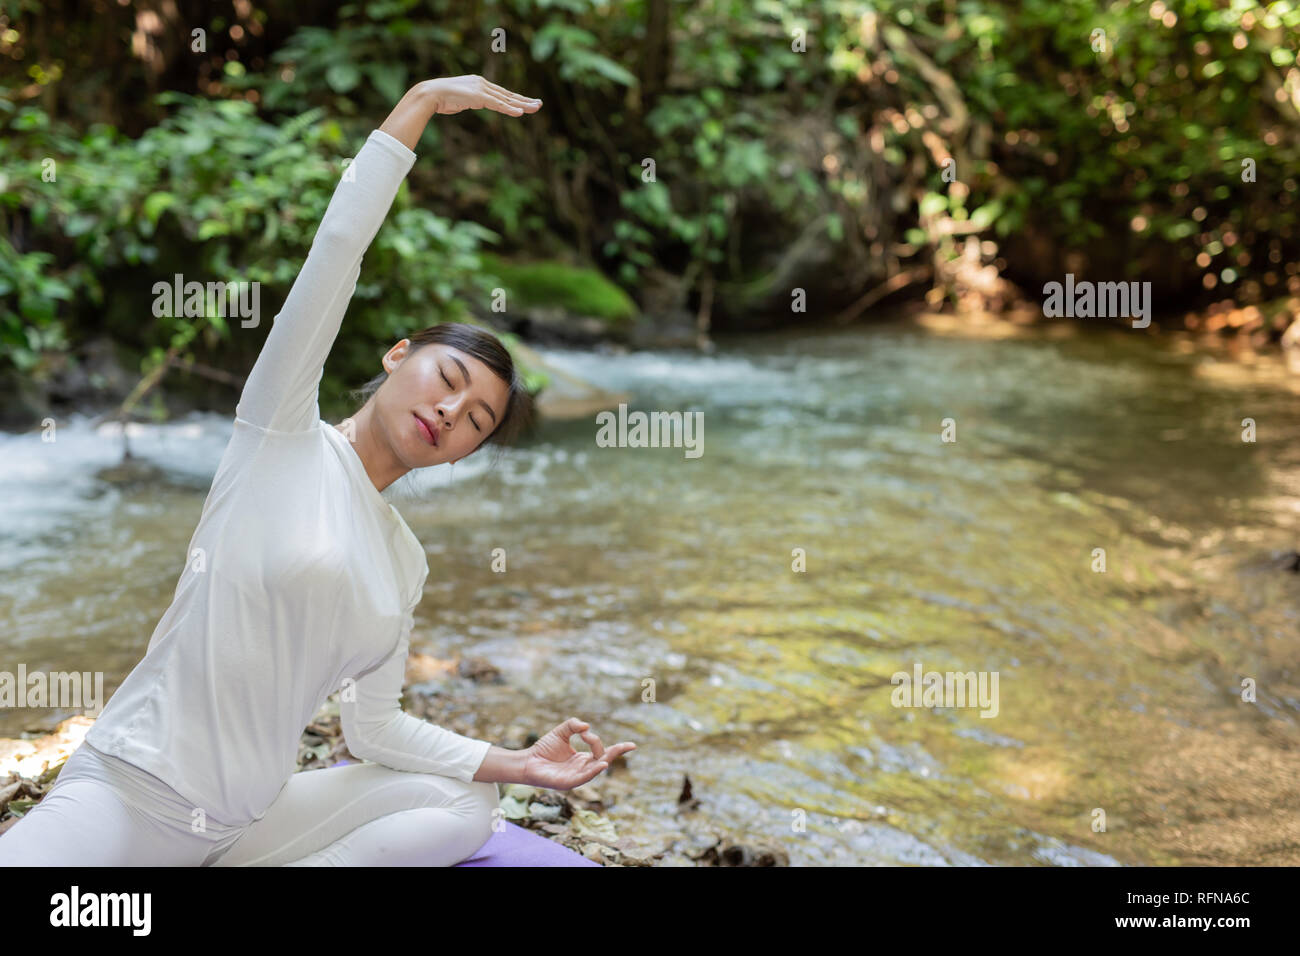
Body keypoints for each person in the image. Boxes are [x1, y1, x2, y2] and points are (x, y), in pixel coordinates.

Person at [0, 75, 635, 867]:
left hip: (244, 825)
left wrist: (520, 762)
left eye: (476, 420)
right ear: (397, 354)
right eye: (447, 381)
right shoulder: (281, 434)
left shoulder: (405, 560)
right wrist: (417, 110)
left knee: (464, 801)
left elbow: (373, 732)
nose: (450, 413)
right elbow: (334, 256)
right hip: (131, 791)